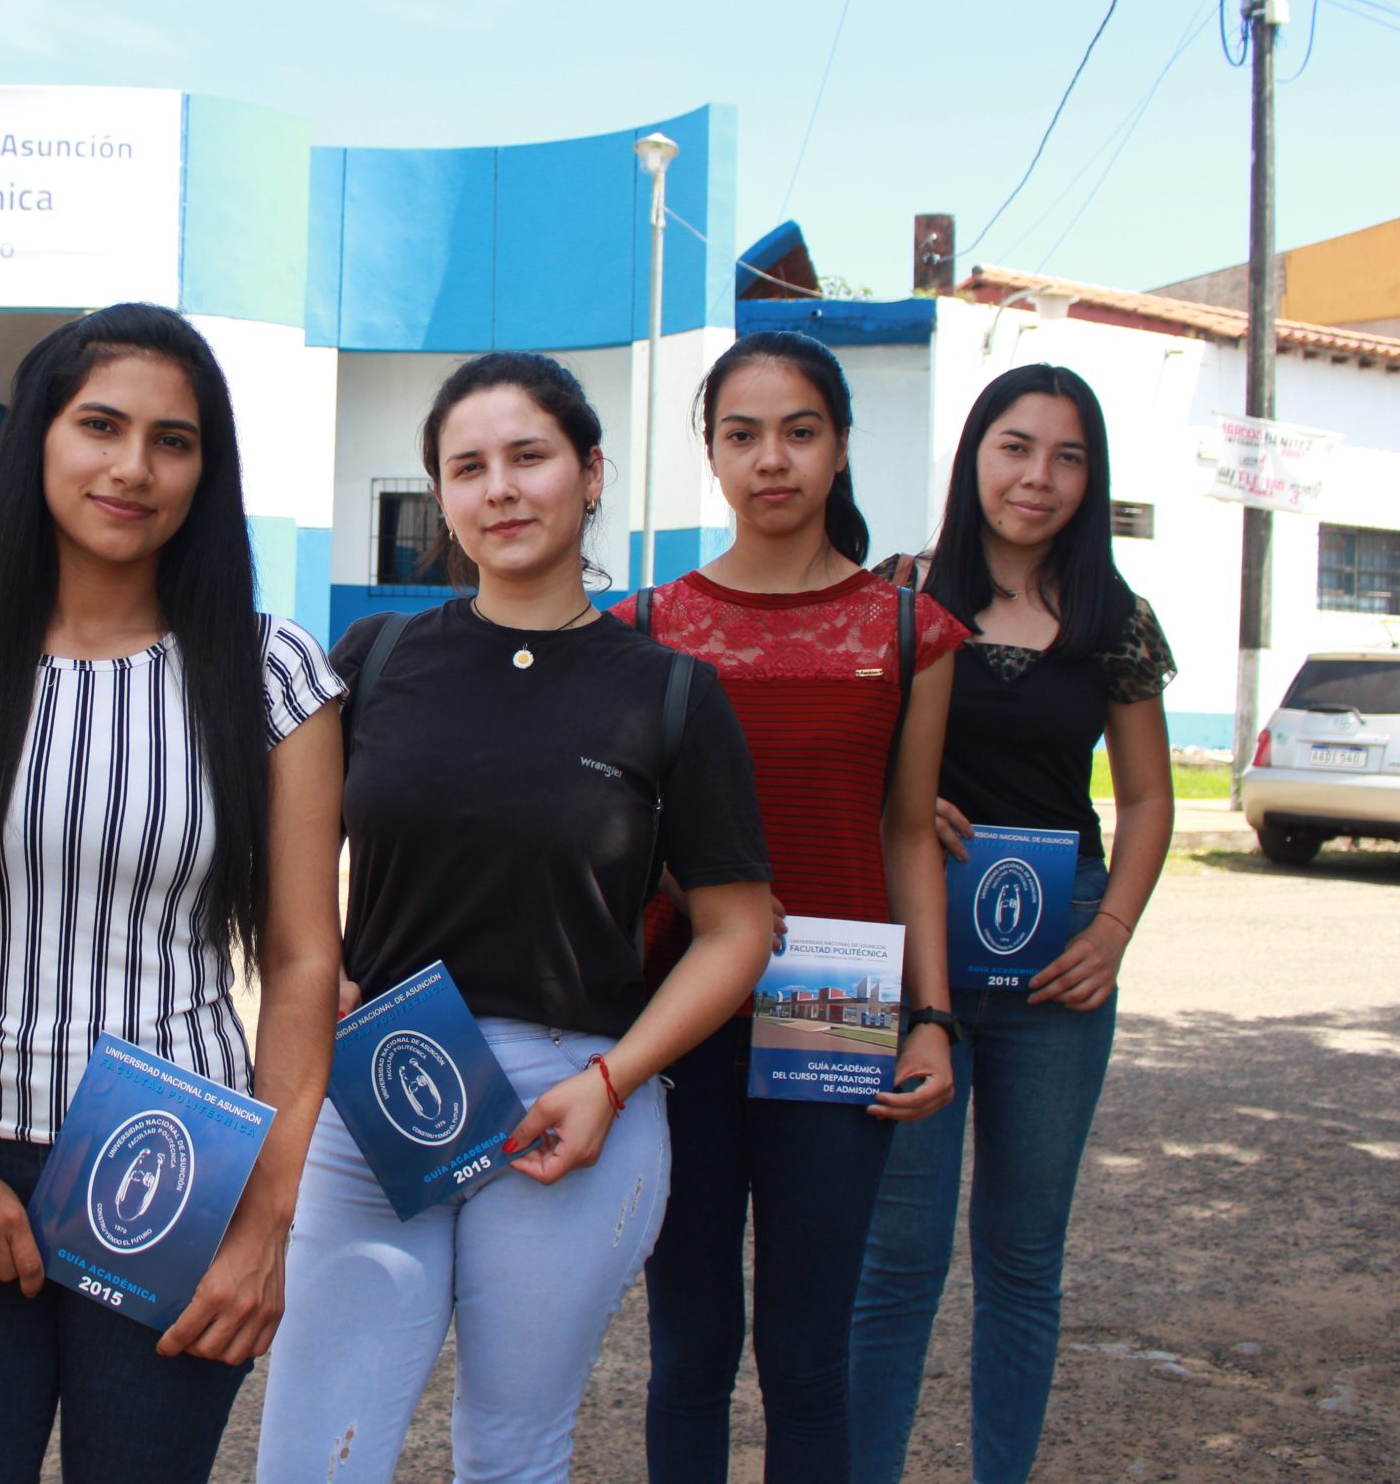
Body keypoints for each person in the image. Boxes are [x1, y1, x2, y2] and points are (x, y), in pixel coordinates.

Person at [0, 304, 345, 1484]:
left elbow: (303, 964)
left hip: (178, 1172)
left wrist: (264, 1225)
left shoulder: (273, 673)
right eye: (100, 426)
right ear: (38, 443)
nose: (133, 467)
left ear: (204, 472)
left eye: (173, 440)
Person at [256, 351, 775, 1484]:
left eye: (528, 457)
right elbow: (281, 870)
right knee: (314, 1452)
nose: (499, 489)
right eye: (466, 467)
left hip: (572, 1103)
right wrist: (315, 976)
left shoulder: (670, 692)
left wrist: (611, 1081)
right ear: (440, 495)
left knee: (512, 1450)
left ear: (591, 474)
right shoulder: (375, 662)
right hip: (380, 1087)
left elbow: (738, 929)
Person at [617, 331, 967, 1484]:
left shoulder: (906, 631)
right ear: (709, 454)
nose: (772, 460)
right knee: (690, 1346)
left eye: (800, 431)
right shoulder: (646, 629)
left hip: (836, 1003)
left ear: (841, 448)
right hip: (683, 1012)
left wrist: (931, 1018)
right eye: (742, 434)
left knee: (808, 1356)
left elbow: (905, 832)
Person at [847, 363, 1177, 1484]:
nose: (1037, 477)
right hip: (910, 958)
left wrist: (1115, 929)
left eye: (1067, 456)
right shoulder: (896, 593)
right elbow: (833, 764)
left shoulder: (1112, 621)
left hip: (1058, 969)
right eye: (1014, 446)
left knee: (1023, 1260)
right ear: (972, 453)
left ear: (1091, 479)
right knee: (893, 1261)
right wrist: (893, 795)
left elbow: (1145, 798)